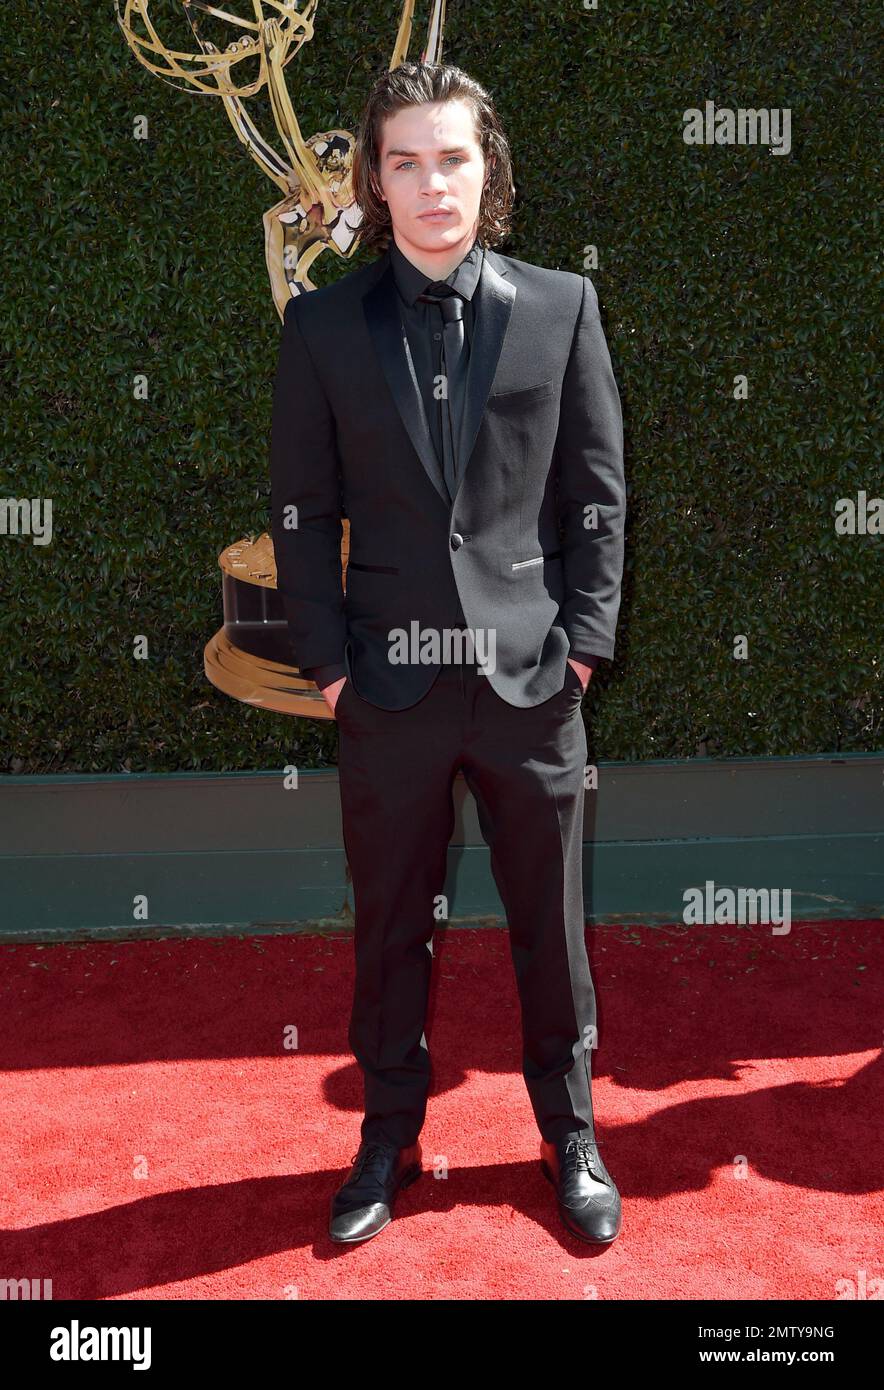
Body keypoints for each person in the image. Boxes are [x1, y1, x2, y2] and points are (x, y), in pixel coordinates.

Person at [270, 60, 626, 1246]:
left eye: (453, 157)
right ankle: (387, 1136)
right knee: (387, 928)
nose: (431, 185)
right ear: (373, 179)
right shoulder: (320, 326)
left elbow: (595, 496)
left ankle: (568, 1131)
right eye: (404, 161)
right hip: (389, 687)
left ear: (489, 168)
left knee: (549, 922)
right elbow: (300, 511)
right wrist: (329, 667)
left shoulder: (561, 306)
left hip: (531, 685)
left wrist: (579, 646)